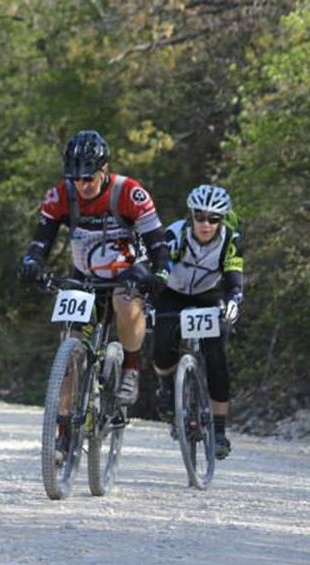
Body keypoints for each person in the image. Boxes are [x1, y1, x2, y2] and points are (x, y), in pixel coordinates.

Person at [17, 129, 171, 406]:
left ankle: (130, 370)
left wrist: (161, 271)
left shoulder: (129, 192)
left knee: (124, 299)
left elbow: (157, 241)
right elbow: (41, 242)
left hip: (129, 269)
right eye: (74, 178)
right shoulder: (59, 196)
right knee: (70, 342)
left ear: (104, 169)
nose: (81, 185)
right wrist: (32, 263)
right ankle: (63, 424)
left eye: (88, 178)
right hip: (86, 273)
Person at [152, 184, 244, 459]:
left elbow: (234, 277)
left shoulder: (230, 240)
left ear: (222, 220)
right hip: (172, 292)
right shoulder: (176, 234)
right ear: (191, 215)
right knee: (161, 341)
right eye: (200, 217)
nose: (206, 224)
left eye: (213, 219)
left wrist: (234, 300)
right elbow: (163, 265)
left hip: (208, 294)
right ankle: (166, 388)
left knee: (217, 356)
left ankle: (219, 431)